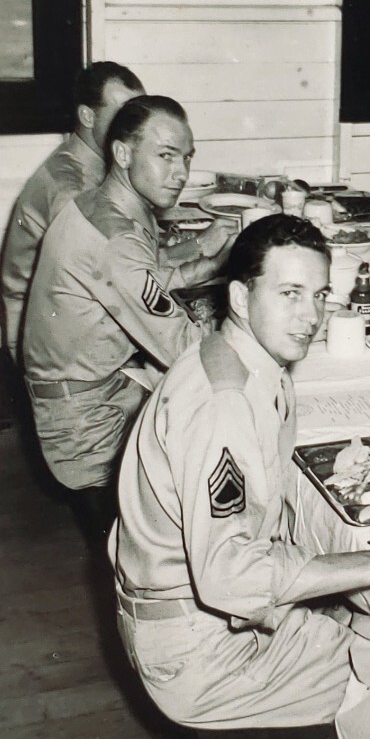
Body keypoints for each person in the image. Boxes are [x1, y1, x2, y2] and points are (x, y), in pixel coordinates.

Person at [113, 214, 370, 731]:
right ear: (242, 299)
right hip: (198, 656)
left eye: (318, 295)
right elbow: (230, 578)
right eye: (290, 293)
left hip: (190, 617)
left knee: (368, 615)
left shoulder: (234, 357)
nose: (310, 315)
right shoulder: (226, 404)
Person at [20, 95, 237, 508]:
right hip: (85, 425)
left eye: (187, 158)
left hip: (97, 389)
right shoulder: (117, 238)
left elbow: (139, 284)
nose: (181, 174)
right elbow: (185, 349)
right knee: (216, 462)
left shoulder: (97, 204)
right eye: (166, 156)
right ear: (122, 153)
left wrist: (210, 266)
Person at [0, 60, 144, 361]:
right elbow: (114, 266)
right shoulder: (70, 186)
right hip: (45, 341)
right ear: (87, 116)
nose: (136, 129)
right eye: (124, 116)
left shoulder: (89, 163)